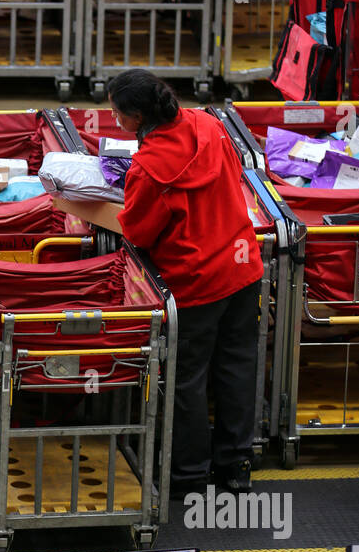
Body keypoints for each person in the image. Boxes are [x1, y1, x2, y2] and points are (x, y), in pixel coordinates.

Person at [105, 70, 264, 497]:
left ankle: (189, 475)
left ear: (136, 117)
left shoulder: (150, 168)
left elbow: (138, 233)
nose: (114, 119)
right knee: (237, 367)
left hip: (195, 284)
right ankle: (236, 467)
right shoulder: (209, 125)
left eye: (117, 113)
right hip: (242, 266)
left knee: (186, 379)